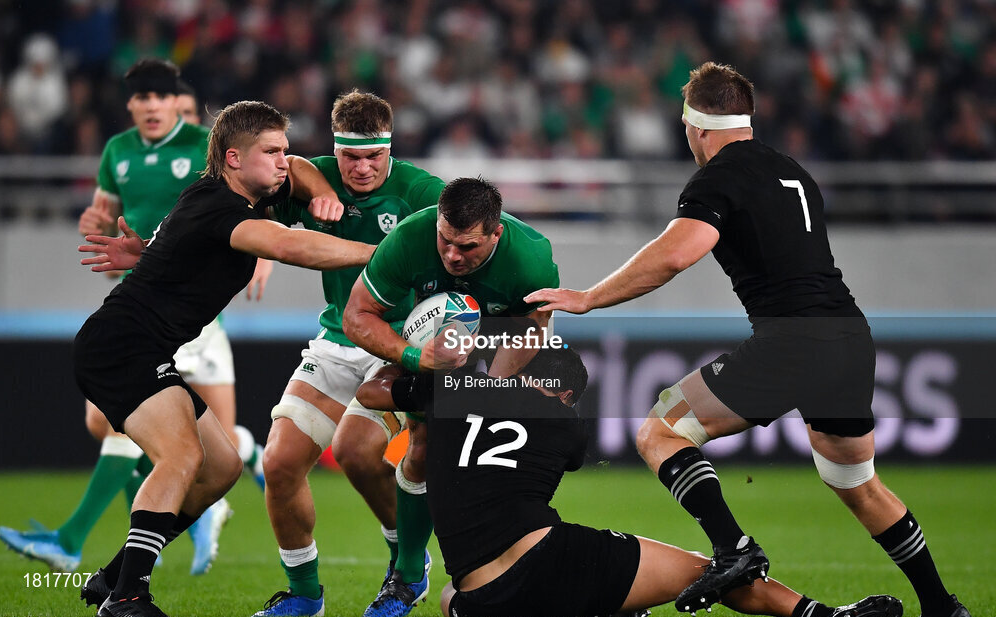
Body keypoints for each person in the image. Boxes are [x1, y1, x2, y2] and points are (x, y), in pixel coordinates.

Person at [525, 62, 970, 617]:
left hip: (794, 339)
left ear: (697, 126)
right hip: (849, 337)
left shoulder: (719, 176)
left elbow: (675, 254)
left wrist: (588, 297)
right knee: (856, 481)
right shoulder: (792, 171)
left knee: (660, 429)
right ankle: (942, 606)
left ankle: (734, 548)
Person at [72, 99, 376, 617]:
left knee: (222, 467)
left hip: (137, 346)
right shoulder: (223, 208)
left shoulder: (215, 196)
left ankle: (112, 578)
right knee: (182, 457)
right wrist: (383, 253)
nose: (285, 161)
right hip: (121, 348)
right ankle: (127, 597)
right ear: (234, 158)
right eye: (271, 151)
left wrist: (145, 249)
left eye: (285, 150)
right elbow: (293, 248)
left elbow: (289, 181)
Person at [354, 346, 903, 617]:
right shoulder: (566, 427)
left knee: (450, 593)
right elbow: (560, 456)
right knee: (708, 574)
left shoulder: (449, 391)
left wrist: (420, 362)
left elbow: (374, 392)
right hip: (548, 561)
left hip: (479, 595)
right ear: (565, 393)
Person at [0, 60, 266, 578]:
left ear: (175, 102)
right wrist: (98, 225)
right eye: (140, 97)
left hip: (189, 312)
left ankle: (85, 544)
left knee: (201, 447)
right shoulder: (118, 152)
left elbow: (251, 204)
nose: (149, 106)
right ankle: (132, 547)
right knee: (125, 427)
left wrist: (268, 254)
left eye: (159, 97)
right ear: (130, 105)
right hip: (140, 303)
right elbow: (105, 213)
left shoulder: (206, 152)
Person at [252, 89, 446, 617]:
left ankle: (407, 568)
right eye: (349, 157)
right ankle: (304, 595)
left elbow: (470, 246)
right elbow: (258, 178)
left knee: (357, 452)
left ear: (391, 149)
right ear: (333, 151)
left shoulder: (422, 193)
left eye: (373, 157)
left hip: (398, 343)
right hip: (338, 342)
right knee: (279, 462)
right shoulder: (314, 179)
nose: (361, 168)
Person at [343, 176, 560, 617]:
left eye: (468, 247)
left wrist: (487, 389)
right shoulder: (410, 237)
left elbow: (531, 332)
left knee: (498, 461)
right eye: (446, 241)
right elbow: (356, 315)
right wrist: (416, 356)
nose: (452, 255)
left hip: (501, 346)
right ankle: (407, 576)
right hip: (424, 344)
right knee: (418, 447)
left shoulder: (532, 260)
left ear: (496, 233)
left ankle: (521, 569)